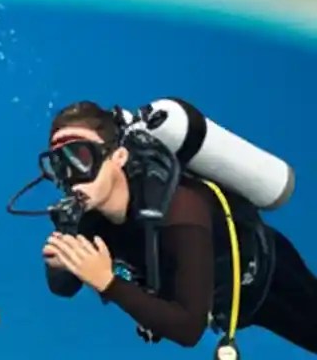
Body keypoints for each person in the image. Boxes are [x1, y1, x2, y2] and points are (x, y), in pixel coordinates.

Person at [39, 101, 317, 354]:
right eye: (59, 164)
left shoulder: (180, 207)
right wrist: (65, 234)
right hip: (228, 304)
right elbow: (63, 286)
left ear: (119, 157)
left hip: (267, 276)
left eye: (80, 157)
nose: (71, 177)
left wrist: (107, 282)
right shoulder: (91, 219)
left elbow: (189, 328)